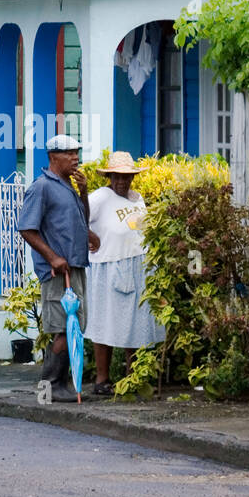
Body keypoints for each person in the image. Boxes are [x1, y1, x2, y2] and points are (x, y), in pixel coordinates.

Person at [17, 134, 100, 400]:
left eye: (77, 153)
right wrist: (52, 257)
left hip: (75, 265)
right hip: (57, 271)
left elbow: (79, 219)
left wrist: (84, 193)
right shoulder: (42, 186)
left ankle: (62, 385)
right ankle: (51, 388)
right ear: (53, 158)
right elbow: (27, 228)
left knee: (74, 325)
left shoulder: (68, 185)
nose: (76, 158)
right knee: (62, 326)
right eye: (69, 154)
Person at [86, 151, 164, 395]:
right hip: (109, 267)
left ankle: (133, 378)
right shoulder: (100, 197)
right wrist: (90, 237)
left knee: (135, 324)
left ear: (133, 178)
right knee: (105, 322)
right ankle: (102, 380)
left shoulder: (138, 198)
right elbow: (76, 217)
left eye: (126, 177)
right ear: (109, 176)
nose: (121, 181)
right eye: (116, 176)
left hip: (139, 268)